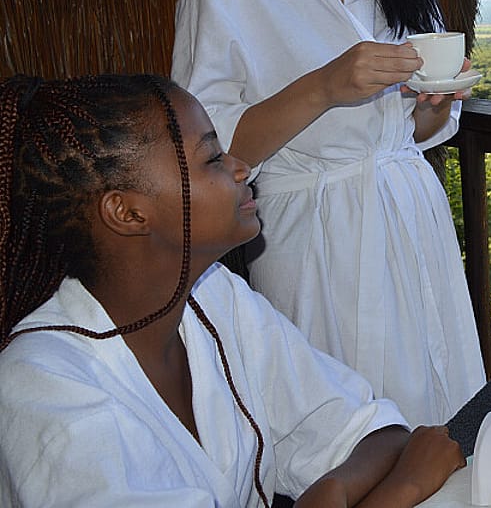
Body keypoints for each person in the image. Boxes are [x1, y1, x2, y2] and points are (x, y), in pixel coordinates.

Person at [171, 0, 485, 425]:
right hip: (314, 242)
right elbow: (205, 153)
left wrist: (434, 106)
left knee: (441, 424)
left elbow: (414, 129)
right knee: (342, 433)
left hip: (412, 219)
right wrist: (324, 86)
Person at [0, 74, 465, 507]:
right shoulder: (46, 390)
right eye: (211, 159)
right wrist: (402, 489)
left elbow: (372, 432)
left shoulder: (211, 297)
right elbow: (400, 459)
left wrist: (332, 487)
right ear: (128, 212)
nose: (241, 168)